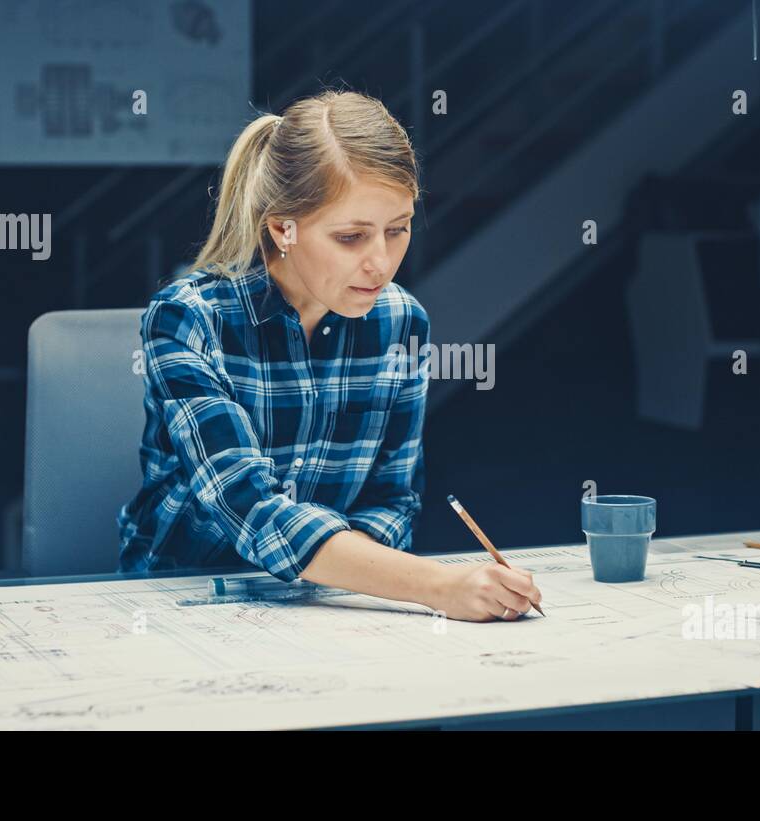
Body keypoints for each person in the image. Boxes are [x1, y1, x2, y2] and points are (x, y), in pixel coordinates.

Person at [117, 90, 541, 622]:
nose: (381, 263)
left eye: (398, 229)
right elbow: (251, 508)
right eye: (350, 237)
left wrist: (345, 582)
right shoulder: (187, 320)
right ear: (282, 229)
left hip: (332, 603)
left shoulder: (402, 321)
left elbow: (393, 499)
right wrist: (437, 585)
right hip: (185, 598)